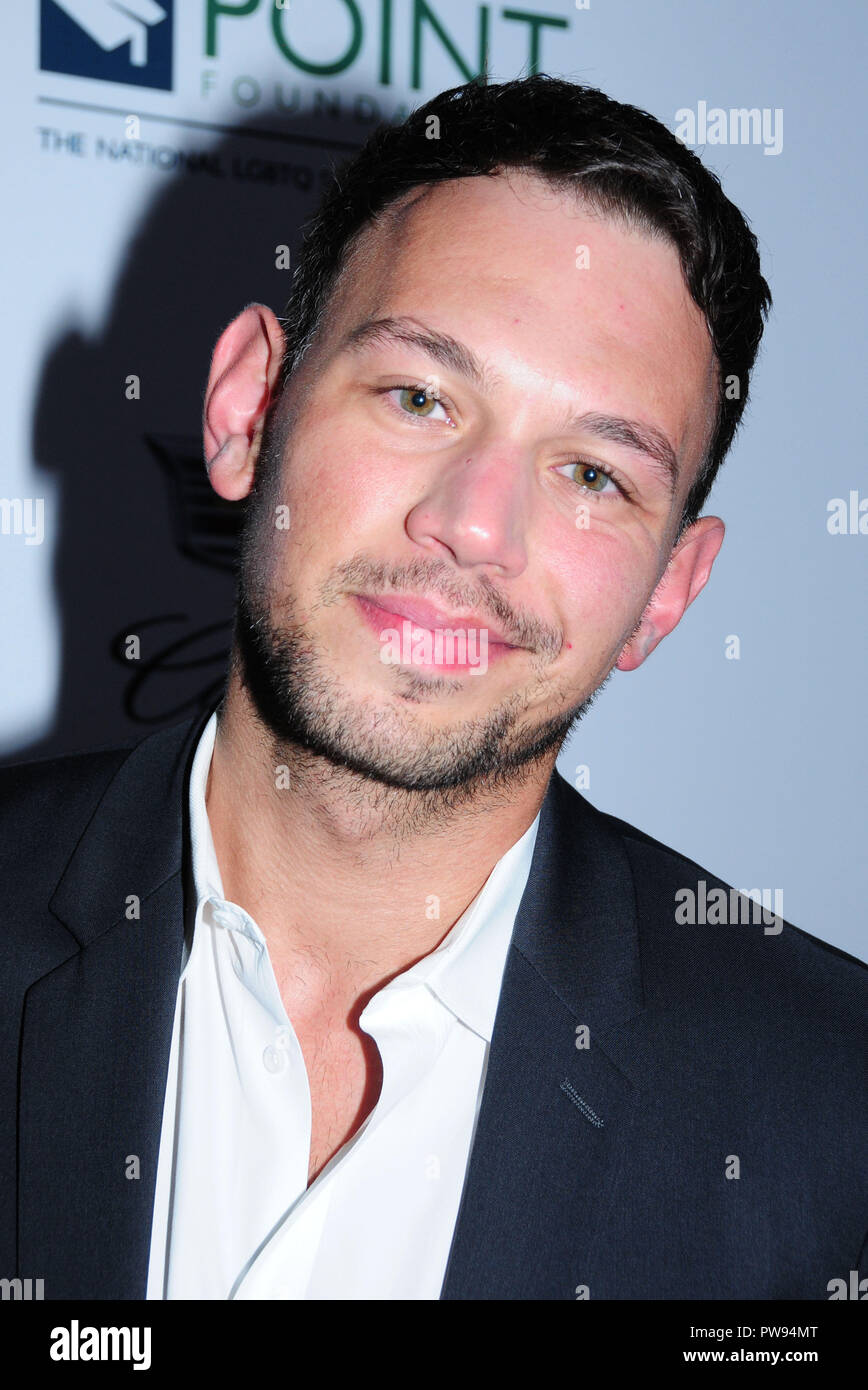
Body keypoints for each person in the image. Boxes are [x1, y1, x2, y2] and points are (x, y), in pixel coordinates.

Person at [2, 75, 865, 1302]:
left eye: (590, 473)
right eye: (419, 397)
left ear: (669, 591)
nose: (472, 527)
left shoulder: (834, 1124)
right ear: (250, 408)